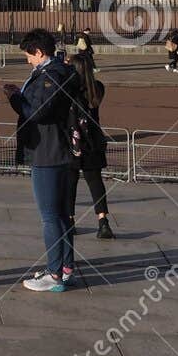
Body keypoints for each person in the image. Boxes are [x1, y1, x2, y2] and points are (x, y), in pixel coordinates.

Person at [5, 28, 81, 293]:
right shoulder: (61, 72)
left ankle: (54, 272)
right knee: (61, 214)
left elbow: (36, 112)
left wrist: (15, 98)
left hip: (47, 150)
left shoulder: (51, 75)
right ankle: (65, 267)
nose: (28, 60)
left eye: (29, 55)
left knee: (50, 216)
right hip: (57, 148)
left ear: (39, 52)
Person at [69, 77, 115, 240]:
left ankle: (69, 220)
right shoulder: (96, 88)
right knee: (95, 183)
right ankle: (103, 221)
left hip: (72, 142)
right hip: (92, 142)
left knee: (69, 183)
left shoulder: (69, 89)